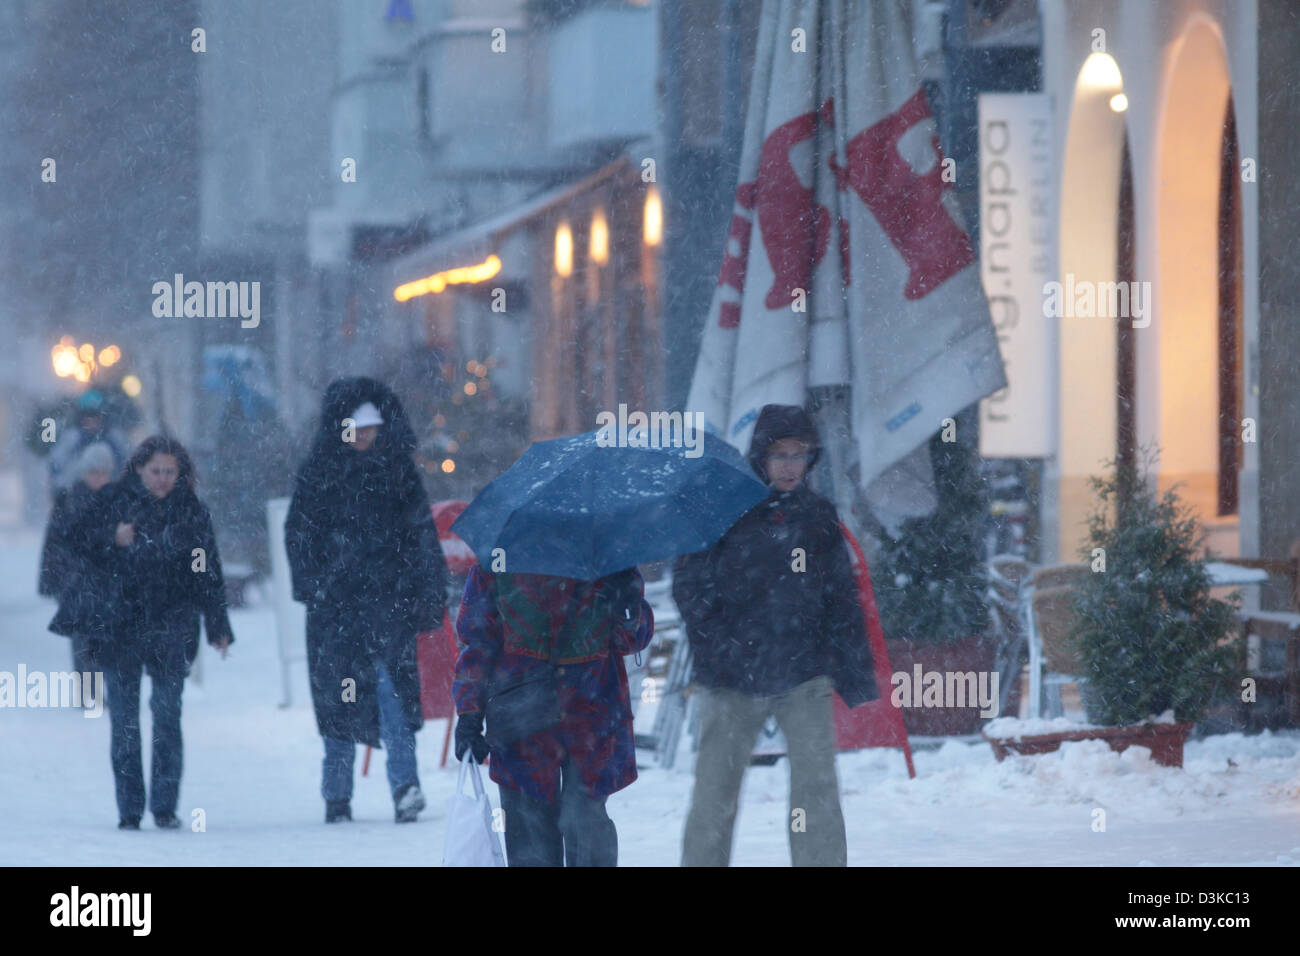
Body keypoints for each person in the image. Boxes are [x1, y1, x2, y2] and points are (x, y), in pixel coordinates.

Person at [672, 403, 877, 867]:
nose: (789, 465)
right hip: (731, 675)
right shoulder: (722, 507)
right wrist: (719, 647)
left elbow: (841, 597)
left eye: (799, 454)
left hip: (802, 671)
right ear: (760, 456)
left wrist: (852, 670)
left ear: (811, 458)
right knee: (714, 794)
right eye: (780, 454)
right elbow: (690, 586)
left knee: (817, 791)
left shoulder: (817, 515)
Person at [285, 378, 448, 824]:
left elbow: (420, 536)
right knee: (340, 698)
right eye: (358, 429)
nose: (366, 437)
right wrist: (317, 584)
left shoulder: (397, 473)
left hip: (385, 604)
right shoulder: (319, 474)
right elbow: (299, 535)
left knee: (393, 696)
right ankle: (337, 795)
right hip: (337, 607)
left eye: (371, 429)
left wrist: (427, 592)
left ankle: (405, 788)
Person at [75, 435, 234, 829]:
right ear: (139, 470)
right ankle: (129, 810)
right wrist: (112, 539)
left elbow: (206, 570)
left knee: (167, 714)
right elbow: (76, 543)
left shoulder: (192, 512)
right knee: (125, 722)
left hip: (172, 624)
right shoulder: (113, 501)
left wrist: (217, 622)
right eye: (155, 471)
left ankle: (164, 806)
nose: (162, 479)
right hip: (121, 625)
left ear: (180, 474)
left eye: (170, 472)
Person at [452, 566, 653, 866]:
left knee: (583, 824)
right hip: (530, 718)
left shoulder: (609, 562)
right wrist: (469, 713)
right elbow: (479, 639)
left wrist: (627, 609)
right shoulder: (501, 559)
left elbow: (631, 639)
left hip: (585, 715)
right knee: (534, 833)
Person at [39, 442, 118, 702]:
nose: (98, 477)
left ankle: (97, 689)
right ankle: (88, 692)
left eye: (103, 472)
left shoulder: (116, 500)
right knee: (83, 637)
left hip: (103, 580)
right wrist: (54, 579)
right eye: (94, 472)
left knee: (101, 636)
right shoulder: (70, 499)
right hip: (76, 581)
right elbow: (55, 543)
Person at [46, 390, 131, 498]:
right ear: (81, 417)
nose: (92, 420)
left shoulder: (114, 438)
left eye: (95, 416)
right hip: (77, 498)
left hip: (113, 498)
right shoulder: (71, 438)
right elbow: (57, 469)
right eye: (87, 416)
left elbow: (128, 464)